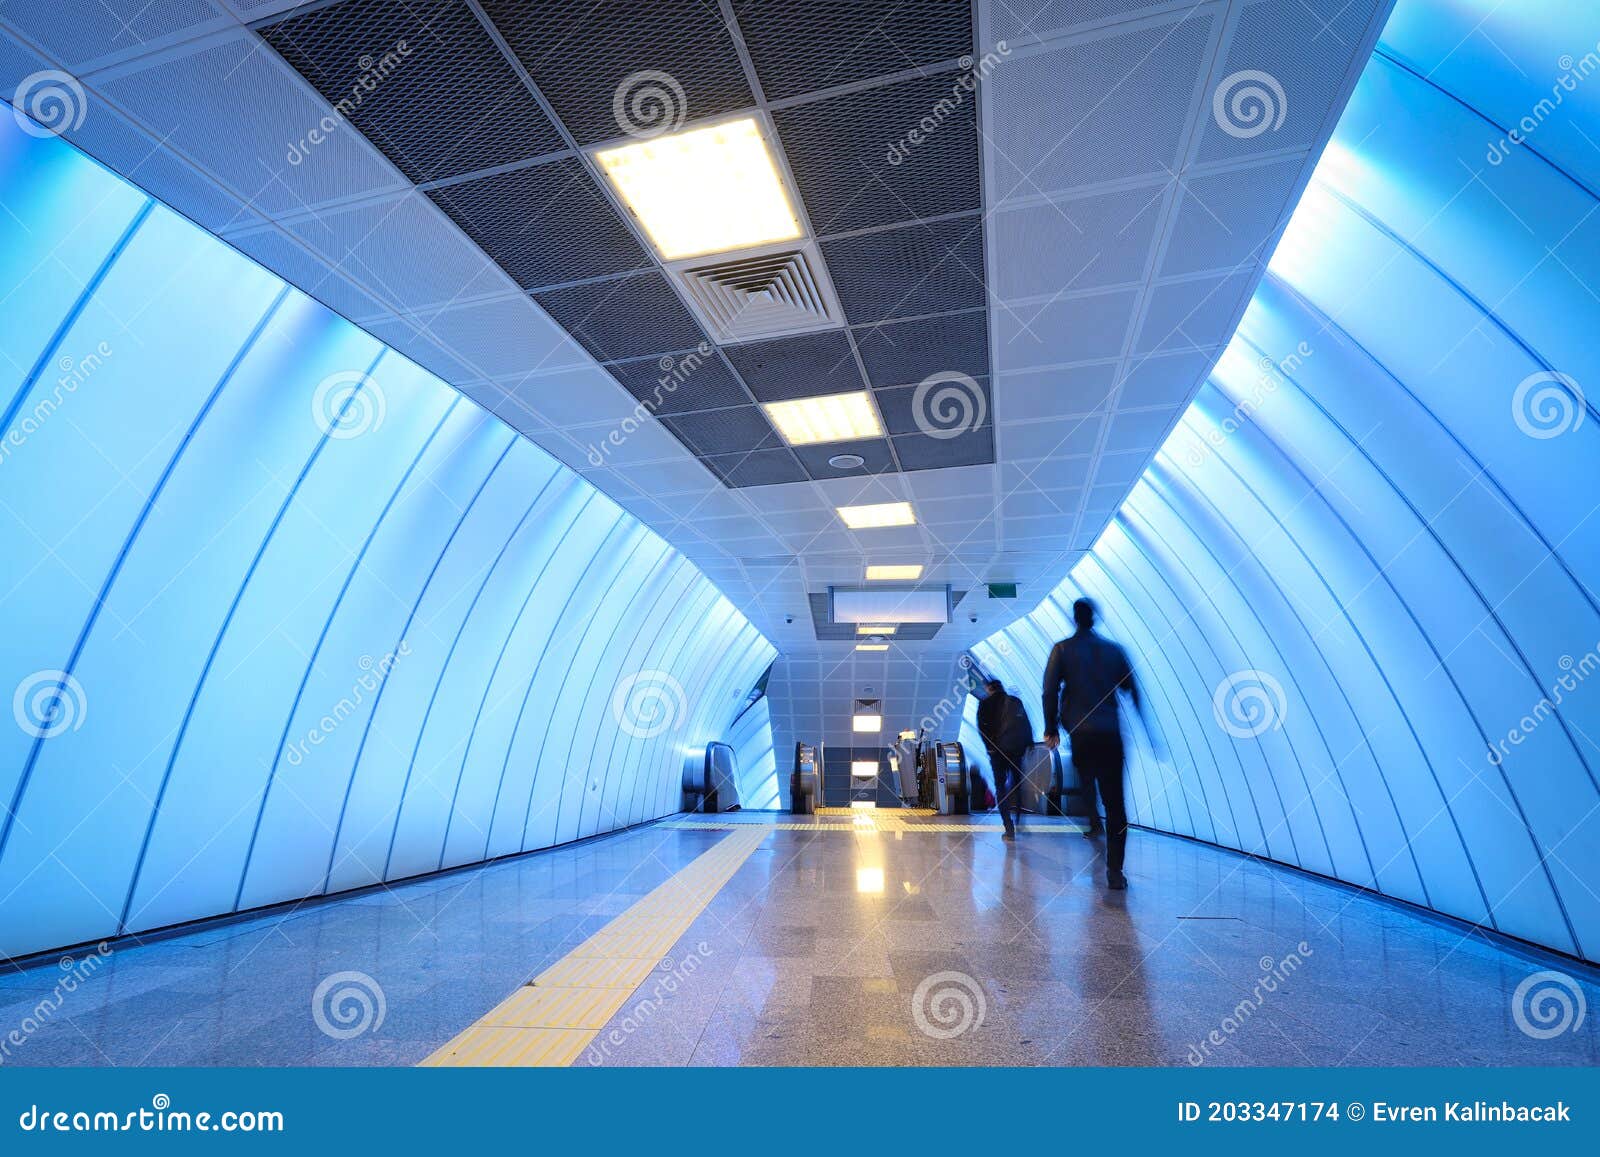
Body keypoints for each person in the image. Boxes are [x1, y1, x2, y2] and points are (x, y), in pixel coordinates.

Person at [1041, 597, 1145, 890]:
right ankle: (1115, 870)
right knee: (1116, 804)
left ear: (1075, 619)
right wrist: (1147, 728)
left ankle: (1092, 821)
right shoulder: (1113, 650)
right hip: (1110, 733)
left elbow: (1049, 691)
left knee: (1088, 783)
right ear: (1094, 618)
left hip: (1082, 734)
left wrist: (1051, 727)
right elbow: (1132, 688)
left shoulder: (1062, 649)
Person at [977, 678, 1033, 841]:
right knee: (1017, 784)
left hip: (997, 753)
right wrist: (1028, 744)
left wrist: (989, 747)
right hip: (1016, 750)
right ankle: (1019, 820)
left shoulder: (985, 703)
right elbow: (1026, 724)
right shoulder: (1015, 701)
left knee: (1000, 787)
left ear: (989, 688)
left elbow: (982, 728)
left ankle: (1009, 829)